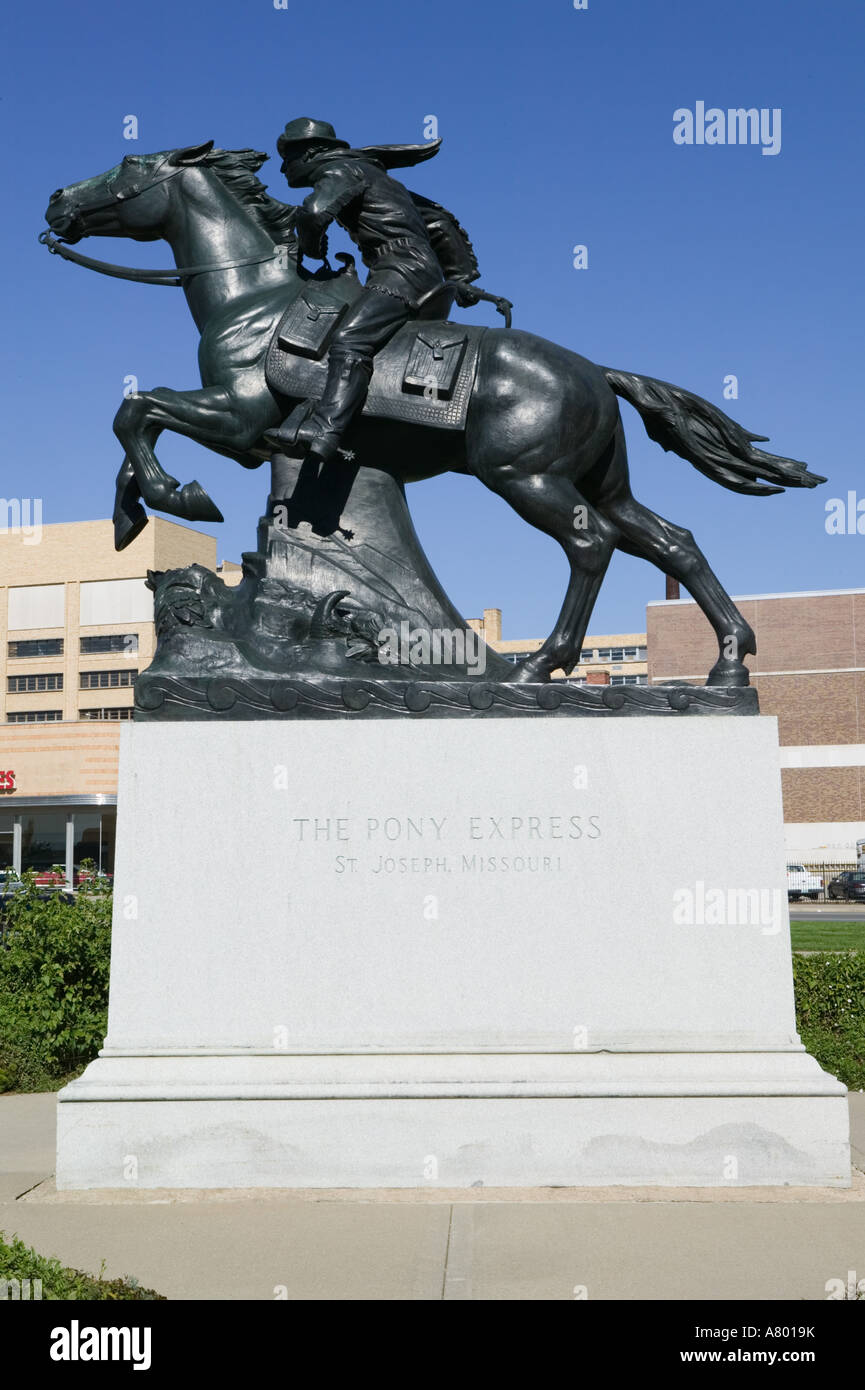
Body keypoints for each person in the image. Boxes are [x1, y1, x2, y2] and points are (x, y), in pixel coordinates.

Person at [264, 117, 482, 463]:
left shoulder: (338, 170)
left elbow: (314, 213)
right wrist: (461, 277)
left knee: (350, 337)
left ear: (311, 154)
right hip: (415, 270)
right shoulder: (378, 177)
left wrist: (311, 246)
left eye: (287, 159)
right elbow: (440, 222)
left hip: (401, 270)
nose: (282, 169)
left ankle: (326, 428)